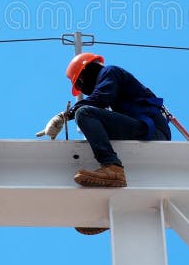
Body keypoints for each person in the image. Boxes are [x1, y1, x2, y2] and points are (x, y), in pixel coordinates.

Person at [36, 52, 171, 188]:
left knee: (85, 113)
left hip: (151, 129)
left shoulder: (110, 71)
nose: (81, 89)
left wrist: (65, 116)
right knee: (94, 122)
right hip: (147, 128)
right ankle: (111, 165)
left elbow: (100, 98)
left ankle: (112, 167)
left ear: (85, 73)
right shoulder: (114, 86)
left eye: (79, 84)